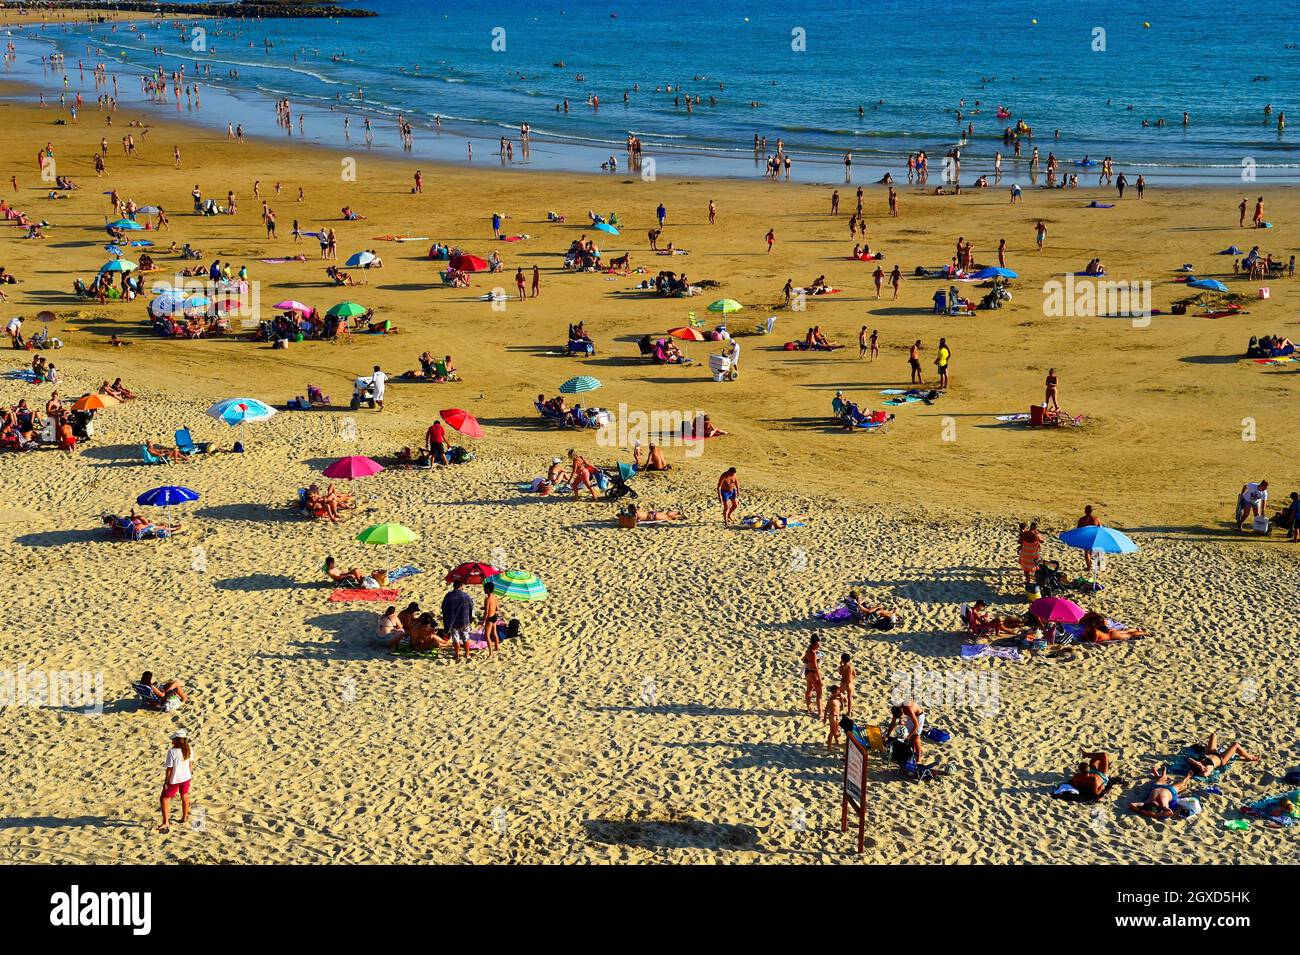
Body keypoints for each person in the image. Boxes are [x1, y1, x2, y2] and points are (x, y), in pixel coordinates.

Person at [158, 729, 193, 833]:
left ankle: (166, 822)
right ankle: (184, 817)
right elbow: (190, 765)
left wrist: (166, 783)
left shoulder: (172, 752)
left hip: (175, 779)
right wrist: (189, 775)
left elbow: (169, 769)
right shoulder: (189, 748)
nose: (172, 741)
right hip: (186, 777)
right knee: (184, 795)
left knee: (164, 799)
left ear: (177, 740)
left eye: (173, 739)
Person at [1129, 765, 1193, 819]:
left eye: (1152, 802)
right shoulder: (1163, 806)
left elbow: (1132, 804)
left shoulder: (1145, 803)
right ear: (1158, 807)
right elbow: (1170, 813)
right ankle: (1187, 778)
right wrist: (1154, 815)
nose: (1154, 801)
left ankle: (1164, 772)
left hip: (1157, 787)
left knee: (1162, 778)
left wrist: (1141, 811)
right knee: (1181, 784)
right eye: (1155, 803)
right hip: (1170, 791)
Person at [1186, 731, 1261, 777]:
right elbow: (1206, 774)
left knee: (1213, 735)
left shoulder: (1196, 763)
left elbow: (1188, 759)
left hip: (1211, 752)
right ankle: (1249, 757)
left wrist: (1197, 764)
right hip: (1221, 758)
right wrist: (1202, 768)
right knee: (1236, 745)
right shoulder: (1207, 767)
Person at [441, 579, 475, 662]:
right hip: (464, 621)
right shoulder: (466, 596)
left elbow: (444, 608)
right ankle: (467, 654)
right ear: (461, 586)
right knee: (466, 638)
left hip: (453, 622)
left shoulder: (448, 596)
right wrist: (470, 619)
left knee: (456, 639)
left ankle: (457, 655)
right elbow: (471, 607)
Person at [884, 700, 926, 765]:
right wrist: (887, 735)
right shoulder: (896, 709)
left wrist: (908, 737)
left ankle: (918, 758)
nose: (901, 717)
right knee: (910, 737)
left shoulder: (908, 708)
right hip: (911, 716)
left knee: (916, 736)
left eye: (900, 716)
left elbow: (916, 726)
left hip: (918, 716)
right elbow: (892, 724)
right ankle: (912, 754)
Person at [1076, 505, 1102, 573]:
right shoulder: (1096, 518)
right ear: (1092, 511)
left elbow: (1078, 529)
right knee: (1097, 550)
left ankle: (1089, 567)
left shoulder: (1082, 519)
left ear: (1085, 511)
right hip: (1094, 536)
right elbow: (1100, 528)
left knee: (1087, 552)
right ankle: (1099, 563)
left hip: (1086, 537)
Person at [802, 635, 822, 718]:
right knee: (819, 693)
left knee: (809, 689)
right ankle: (820, 712)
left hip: (807, 672)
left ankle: (808, 707)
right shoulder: (813, 653)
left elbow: (803, 659)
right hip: (813, 673)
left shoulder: (808, 649)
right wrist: (820, 679)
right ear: (814, 644)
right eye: (818, 643)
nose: (819, 645)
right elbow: (815, 667)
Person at [1017, 521, 1043, 587]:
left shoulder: (1024, 534)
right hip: (1033, 554)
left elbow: (1019, 542)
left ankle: (1028, 581)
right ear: (1035, 528)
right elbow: (1042, 541)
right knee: (1036, 567)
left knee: (1026, 569)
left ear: (1030, 527)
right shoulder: (1036, 535)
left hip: (1025, 553)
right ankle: (1037, 580)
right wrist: (1038, 534)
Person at [481, 581, 501, 655]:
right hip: (494, 617)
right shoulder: (495, 598)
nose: (484, 590)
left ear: (488, 589)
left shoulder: (487, 599)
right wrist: (490, 609)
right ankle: (497, 647)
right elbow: (497, 609)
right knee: (495, 633)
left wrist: (483, 621)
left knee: (487, 636)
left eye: (485, 589)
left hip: (489, 619)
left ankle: (491, 653)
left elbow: (486, 612)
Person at [823, 684, 843, 752]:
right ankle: (829, 746)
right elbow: (826, 709)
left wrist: (842, 700)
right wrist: (825, 718)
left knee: (836, 730)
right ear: (832, 693)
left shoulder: (838, 699)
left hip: (837, 716)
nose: (838, 693)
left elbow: (842, 708)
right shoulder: (830, 700)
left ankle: (836, 741)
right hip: (832, 716)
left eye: (839, 692)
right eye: (837, 692)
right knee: (832, 732)